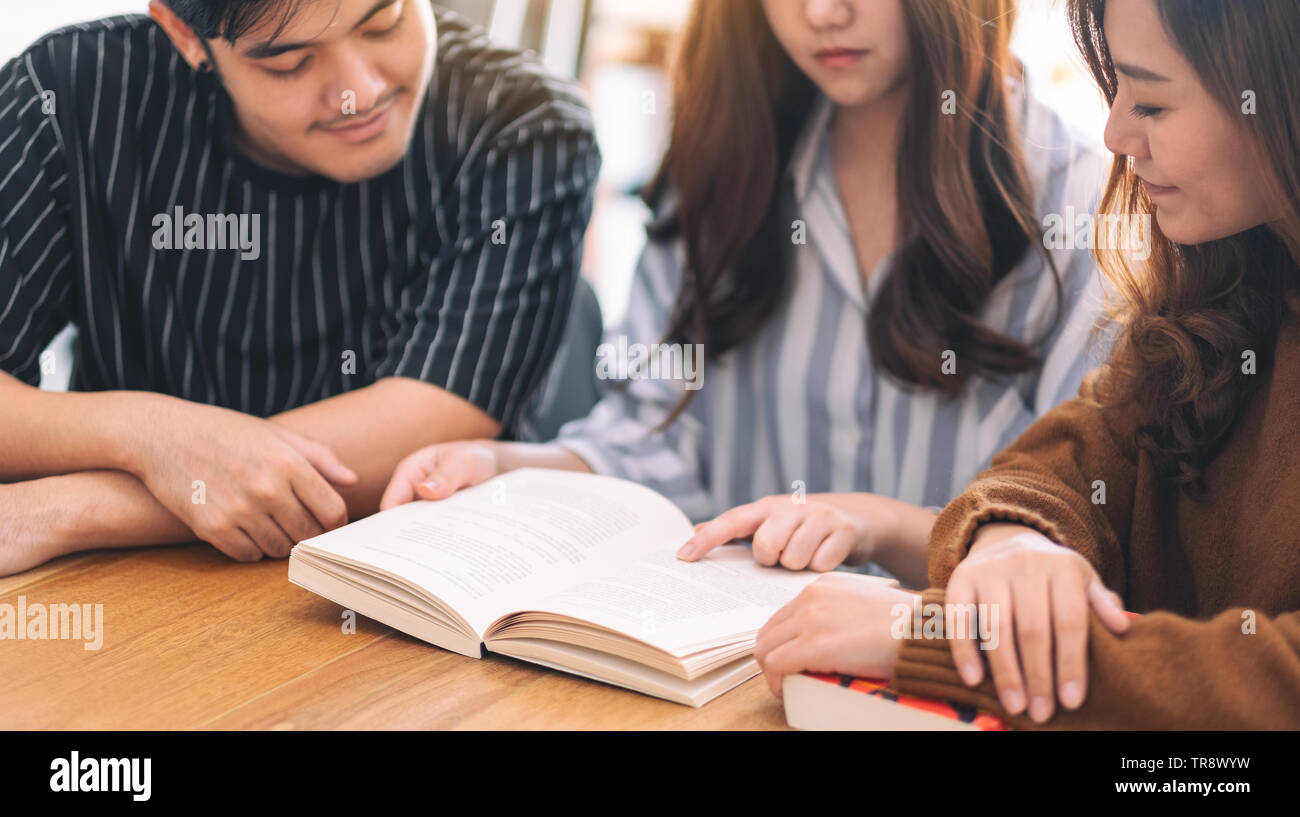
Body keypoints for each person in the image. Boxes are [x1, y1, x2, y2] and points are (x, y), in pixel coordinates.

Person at [380, 0, 1111, 589]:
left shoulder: (1078, 207)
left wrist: (879, 524)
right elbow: (650, 437)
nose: (823, 13)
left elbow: (1071, 531)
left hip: (945, 684)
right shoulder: (729, 168)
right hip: (730, 671)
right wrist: (504, 465)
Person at [754, 0, 1300, 730]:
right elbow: (1070, 459)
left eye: (1154, 103)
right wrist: (1016, 541)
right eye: (1116, 94)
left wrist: (941, 636)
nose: (1116, 134)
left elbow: (1276, 684)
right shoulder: (1238, 284)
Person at [0, 1, 600, 576]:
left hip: (401, 596)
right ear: (185, 36)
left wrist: (66, 511)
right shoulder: (66, 95)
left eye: (384, 22)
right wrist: (144, 432)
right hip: (112, 593)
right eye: (289, 62)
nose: (359, 92)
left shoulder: (522, 124)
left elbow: (433, 422)